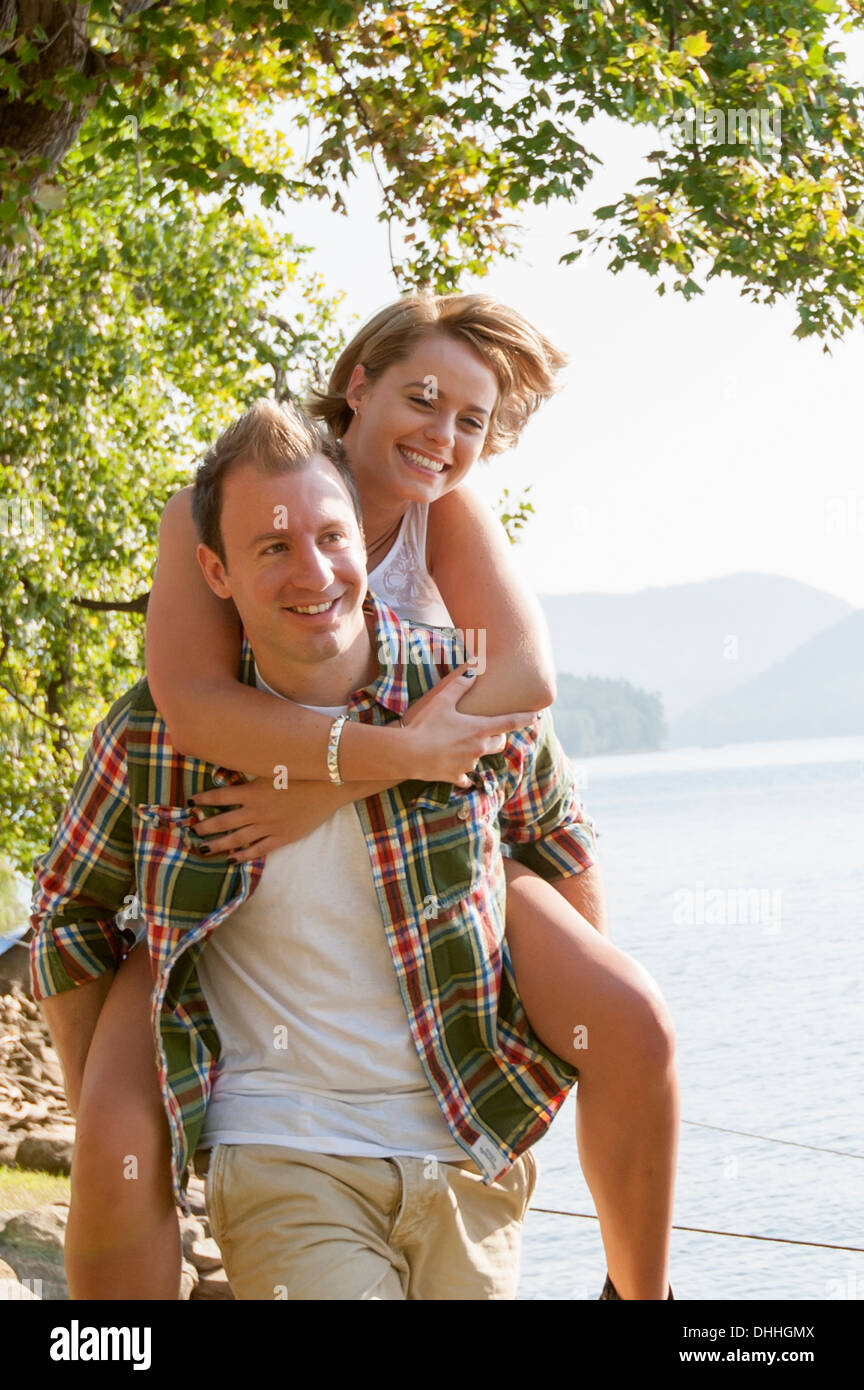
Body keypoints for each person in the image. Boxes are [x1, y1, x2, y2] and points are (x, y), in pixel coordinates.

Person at [34, 293, 679, 1300]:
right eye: (425, 398)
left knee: (630, 1019)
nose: (445, 434)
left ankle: (643, 1293)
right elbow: (193, 708)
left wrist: (348, 782)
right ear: (358, 385)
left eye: (473, 419)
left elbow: (523, 682)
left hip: (439, 826)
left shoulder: (443, 508)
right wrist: (324, 780)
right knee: (117, 1144)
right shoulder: (235, 496)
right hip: (255, 826)